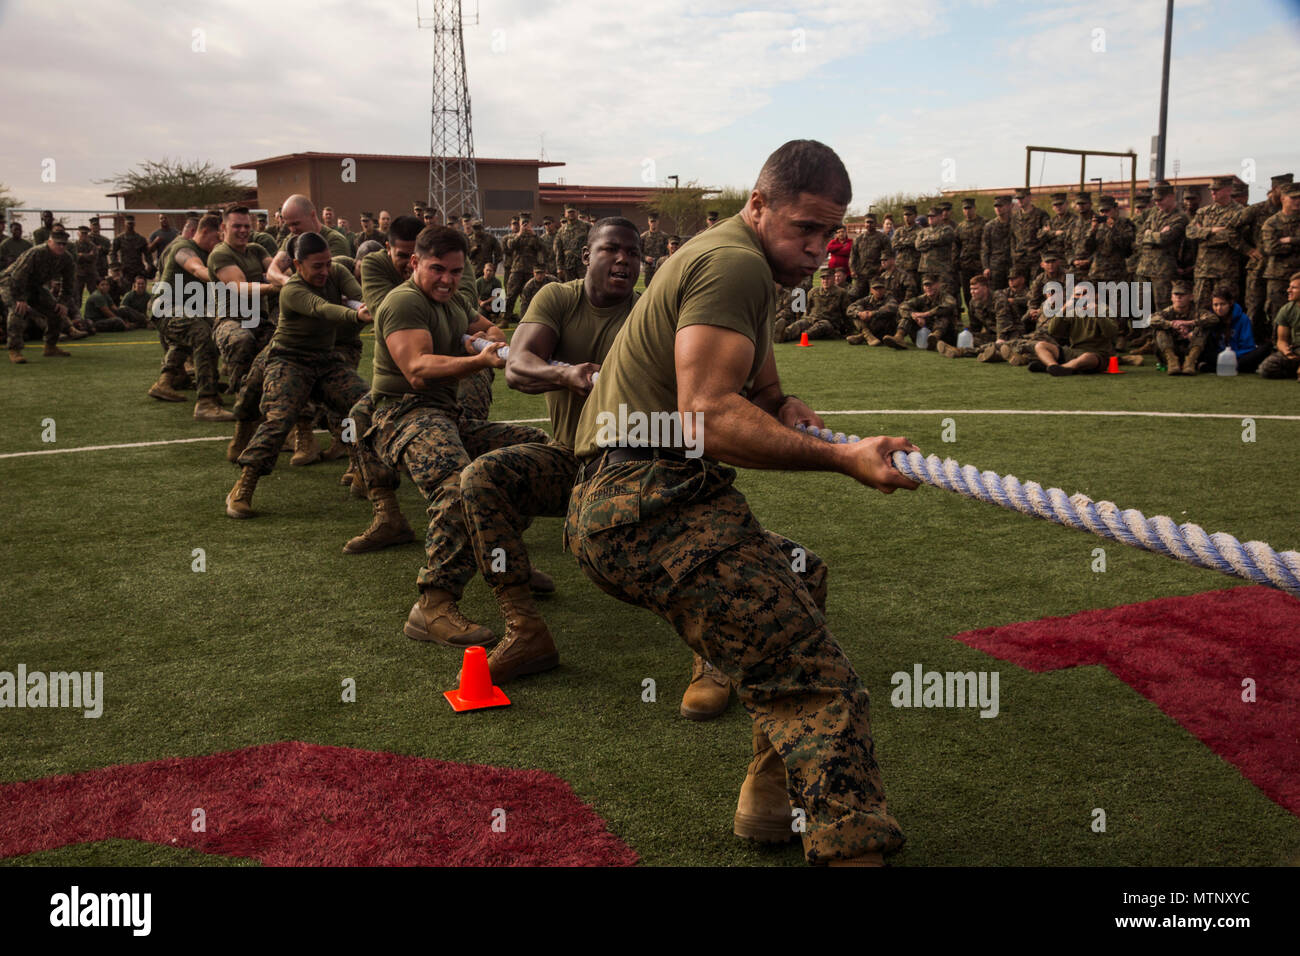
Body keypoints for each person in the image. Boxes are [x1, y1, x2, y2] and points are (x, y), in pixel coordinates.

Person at [565, 140, 917, 866]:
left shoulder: (741, 263)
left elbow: (755, 390)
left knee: (799, 573)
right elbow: (706, 416)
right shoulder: (734, 264)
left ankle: (766, 793)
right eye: (805, 229)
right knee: (822, 687)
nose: (819, 250)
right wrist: (841, 458)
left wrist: (784, 404)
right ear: (758, 206)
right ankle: (851, 849)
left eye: (830, 234)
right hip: (646, 504)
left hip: (643, 498)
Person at [458, 218, 642, 683]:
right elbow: (517, 368)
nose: (623, 260)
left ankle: (711, 657)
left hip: (632, 468)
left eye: (633, 253)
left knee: (689, 532)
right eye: (610, 249)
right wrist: (567, 374)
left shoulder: (647, 314)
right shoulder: (558, 297)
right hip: (569, 459)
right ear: (586, 256)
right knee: (481, 478)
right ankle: (525, 630)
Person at [367, 226, 549, 646]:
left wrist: (486, 339)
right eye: (437, 269)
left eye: (454, 271)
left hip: (447, 415)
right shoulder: (404, 302)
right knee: (457, 486)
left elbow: (495, 331)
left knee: (535, 452)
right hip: (403, 414)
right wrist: (479, 360)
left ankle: (504, 562)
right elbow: (417, 369)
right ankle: (432, 605)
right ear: (415, 263)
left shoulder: (455, 300)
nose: (447, 279)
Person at [225, 232, 373, 517]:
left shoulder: (337, 272)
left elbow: (360, 295)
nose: (324, 271)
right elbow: (322, 309)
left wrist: (371, 305)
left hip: (327, 360)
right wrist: (355, 315)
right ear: (297, 264)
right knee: (279, 417)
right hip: (288, 359)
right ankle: (243, 486)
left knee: (365, 404)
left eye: (327, 264)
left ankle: (361, 470)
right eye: (317, 266)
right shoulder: (292, 289)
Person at [147, 214, 234, 420]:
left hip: (185, 310)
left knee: (207, 327)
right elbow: (196, 269)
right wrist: (223, 278)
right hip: (165, 308)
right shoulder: (183, 248)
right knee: (201, 333)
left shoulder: (208, 252)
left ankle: (165, 382)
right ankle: (206, 402)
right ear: (204, 231)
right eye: (217, 237)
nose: (219, 243)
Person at [208, 207, 275, 394]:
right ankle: (241, 395)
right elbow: (240, 287)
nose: (243, 231)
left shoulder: (256, 250)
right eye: (237, 226)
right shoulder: (220, 254)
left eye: (247, 226)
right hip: (229, 320)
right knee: (242, 339)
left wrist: (284, 276)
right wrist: (275, 286)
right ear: (224, 227)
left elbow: (278, 272)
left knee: (284, 342)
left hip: (259, 320)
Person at [2, 226, 78, 363]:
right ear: (49, 242)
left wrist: (63, 302)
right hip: (11, 283)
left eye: (64, 244)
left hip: (33, 286)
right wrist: (20, 298)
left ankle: (50, 347)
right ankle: (15, 350)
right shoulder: (36, 253)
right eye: (58, 243)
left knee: (57, 310)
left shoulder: (67, 258)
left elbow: (69, 283)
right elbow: (18, 276)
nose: (61, 247)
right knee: (18, 310)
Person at [1027, 284, 1117, 376]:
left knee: (1087, 357)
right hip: (1074, 351)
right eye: (1077, 294)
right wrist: (1063, 309)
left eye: (1085, 293)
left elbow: (1111, 333)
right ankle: (1052, 366)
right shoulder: (1072, 312)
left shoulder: (1104, 310)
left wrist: (1097, 314)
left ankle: (1062, 368)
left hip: (1097, 354)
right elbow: (1053, 331)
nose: (1081, 297)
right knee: (1040, 345)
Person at [1185, 177, 1247, 312]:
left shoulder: (1240, 212)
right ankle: (1203, 333)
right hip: (1203, 269)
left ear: (1228, 190)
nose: (1213, 193)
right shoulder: (1204, 211)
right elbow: (1190, 232)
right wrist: (1212, 230)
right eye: (1212, 190)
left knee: (1226, 309)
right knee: (1201, 307)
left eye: (1217, 190)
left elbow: (1231, 237)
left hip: (1225, 271)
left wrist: (1202, 234)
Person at [1135, 183, 1187, 311]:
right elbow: (1139, 238)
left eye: (1160, 200)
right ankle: (1145, 332)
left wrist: (1149, 233)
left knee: (1163, 310)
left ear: (1171, 197)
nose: (1157, 203)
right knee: (1142, 309)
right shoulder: (1154, 215)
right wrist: (1156, 235)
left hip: (1163, 272)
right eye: (1155, 200)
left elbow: (1165, 239)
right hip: (1144, 269)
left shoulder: (1180, 217)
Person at [1147, 280, 1215, 375]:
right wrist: (1172, 324)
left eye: (1183, 294)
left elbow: (1213, 318)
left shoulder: (1197, 312)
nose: (1179, 297)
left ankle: (1190, 362)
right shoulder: (1167, 313)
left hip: (1193, 352)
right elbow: (1151, 320)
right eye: (1176, 294)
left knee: (1202, 328)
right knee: (1160, 329)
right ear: (1171, 297)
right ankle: (1172, 362)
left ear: (1191, 297)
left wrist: (1189, 323)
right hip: (1171, 351)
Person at [886, 273, 958, 349]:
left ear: (938, 285)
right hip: (925, 332)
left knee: (943, 315)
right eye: (926, 285)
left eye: (931, 285)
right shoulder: (922, 298)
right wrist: (915, 317)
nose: (928, 288)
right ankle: (899, 337)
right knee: (907, 315)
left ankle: (935, 337)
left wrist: (925, 314)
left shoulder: (946, 297)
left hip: (946, 334)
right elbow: (903, 306)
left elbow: (949, 305)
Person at [1261, 183, 1300, 322]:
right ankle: (1277, 343)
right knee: (1277, 314)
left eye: (1299, 197)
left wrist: (1290, 240)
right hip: (1278, 277)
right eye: (1293, 198)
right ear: (1283, 198)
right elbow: (1271, 248)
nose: (1298, 201)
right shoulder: (1271, 223)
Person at [1257, 272, 1300, 379]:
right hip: (1296, 351)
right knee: (1266, 368)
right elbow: (1281, 340)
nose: (1288, 290)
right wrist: (1286, 352)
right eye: (1289, 287)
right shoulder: (1287, 309)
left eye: (1294, 288)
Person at [955, 198, 985, 314]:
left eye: (969, 208)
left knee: (981, 293)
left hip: (979, 265)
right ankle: (973, 319)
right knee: (968, 294)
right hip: (965, 266)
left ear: (974, 208)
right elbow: (956, 247)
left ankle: (983, 318)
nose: (967, 211)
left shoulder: (984, 223)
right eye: (965, 208)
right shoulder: (960, 227)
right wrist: (956, 263)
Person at [981, 195, 1013, 292]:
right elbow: (985, 249)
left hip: (1013, 265)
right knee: (996, 295)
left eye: (1001, 206)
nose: (998, 209)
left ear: (1009, 206)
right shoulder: (989, 226)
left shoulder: (1017, 223)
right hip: (996, 268)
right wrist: (986, 267)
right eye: (996, 206)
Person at [556, 204, 589, 280]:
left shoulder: (586, 226)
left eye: (573, 212)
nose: (571, 214)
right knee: (570, 288)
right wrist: (559, 267)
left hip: (583, 264)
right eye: (569, 212)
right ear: (565, 214)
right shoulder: (561, 231)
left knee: (585, 286)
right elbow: (559, 250)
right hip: (568, 265)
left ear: (577, 213)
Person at [640, 214, 670, 286]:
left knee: (661, 287)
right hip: (649, 269)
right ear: (648, 222)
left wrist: (663, 259)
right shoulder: (643, 237)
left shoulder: (664, 237)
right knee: (649, 288)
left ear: (658, 222)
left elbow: (669, 253)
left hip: (661, 267)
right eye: (651, 221)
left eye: (655, 222)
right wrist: (645, 258)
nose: (653, 224)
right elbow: (638, 252)